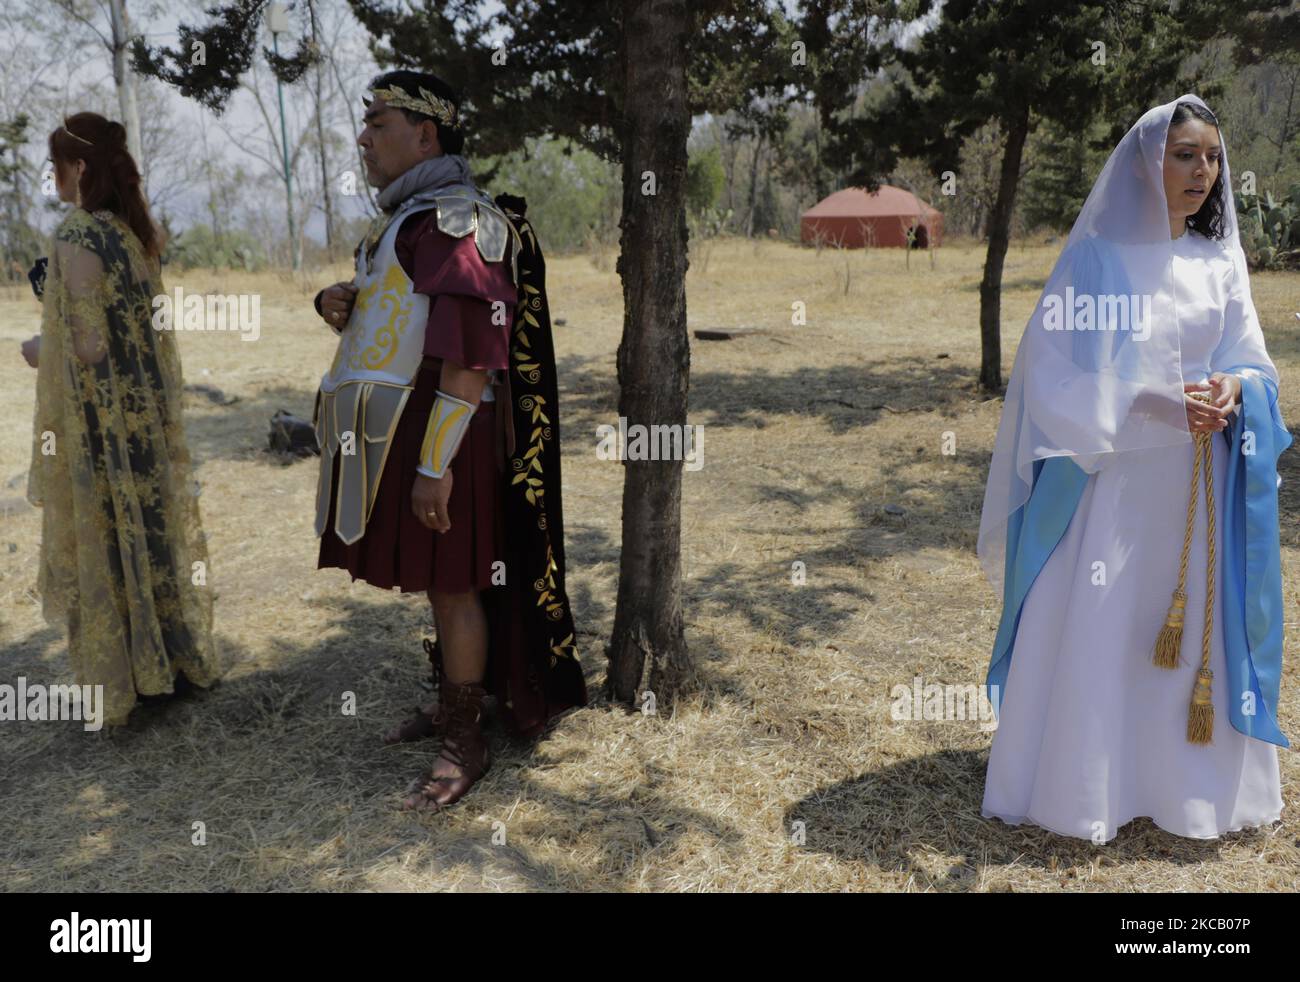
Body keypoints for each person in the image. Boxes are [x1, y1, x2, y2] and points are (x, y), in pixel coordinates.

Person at [976, 95, 1291, 843]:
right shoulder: (1099, 257)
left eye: (1212, 156)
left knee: (1189, 639)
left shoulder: (1220, 260)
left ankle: (1191, 790)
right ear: (1149, 161)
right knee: (1111, 621)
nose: (1202, 171)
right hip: (1113, 484)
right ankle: (1091, 786)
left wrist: (1235, 388)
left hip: (1199, 483)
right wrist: (1154, 402)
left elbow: (1253, 359)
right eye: (1185, 154)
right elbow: (1049, 374)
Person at [313, 71, 586, 811]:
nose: (363, 138)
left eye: (379, 122)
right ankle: (457, 700)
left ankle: (466, 740)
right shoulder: (409, 219)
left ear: (426, 134)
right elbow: (401, 314)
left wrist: (435, 465)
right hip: (413, 428)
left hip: (448, 432)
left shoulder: (460, 221)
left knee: (457, 583)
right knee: (444, 581)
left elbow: (470, 357)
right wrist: (338, 301)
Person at [21, 112, 220, 727]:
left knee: (109, 540)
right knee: (151, 538)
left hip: (104, 431)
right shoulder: (131, 235)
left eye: (56, 165)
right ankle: (170, 666)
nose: (52, 177)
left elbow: (88, 348)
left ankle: (134, 681)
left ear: (80, 168)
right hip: (143, 424)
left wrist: (38, 348)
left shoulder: (79, 236)